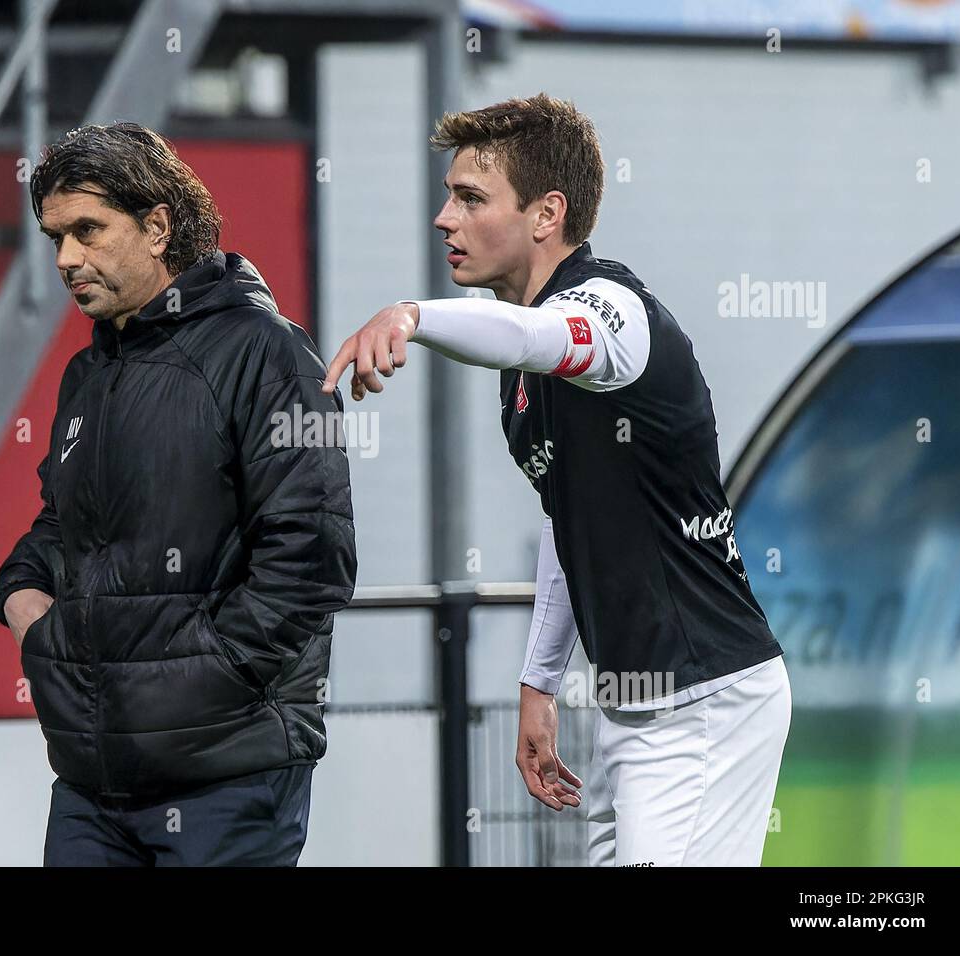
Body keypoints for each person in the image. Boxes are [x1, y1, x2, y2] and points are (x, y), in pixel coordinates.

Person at [323, 93, 790, 866]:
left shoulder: (610, 309)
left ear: (547, 214)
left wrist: (410, 316)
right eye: (449, 196)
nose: (444, 218)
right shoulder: (523, 372)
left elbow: (535, 334)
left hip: (704, 703)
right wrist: (539, 682)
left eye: (471, 198)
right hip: (630, 711)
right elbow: (569, 519)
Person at [0, 123, 357, 866]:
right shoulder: (89, 374)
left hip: (229, 778)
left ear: (157, 226)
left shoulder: (268, 352)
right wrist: (26, 611)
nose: (66, 259)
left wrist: (194, 688)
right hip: (92, 785)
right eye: (55, 236)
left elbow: (312, 561)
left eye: (87, 230)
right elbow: (59, 531)